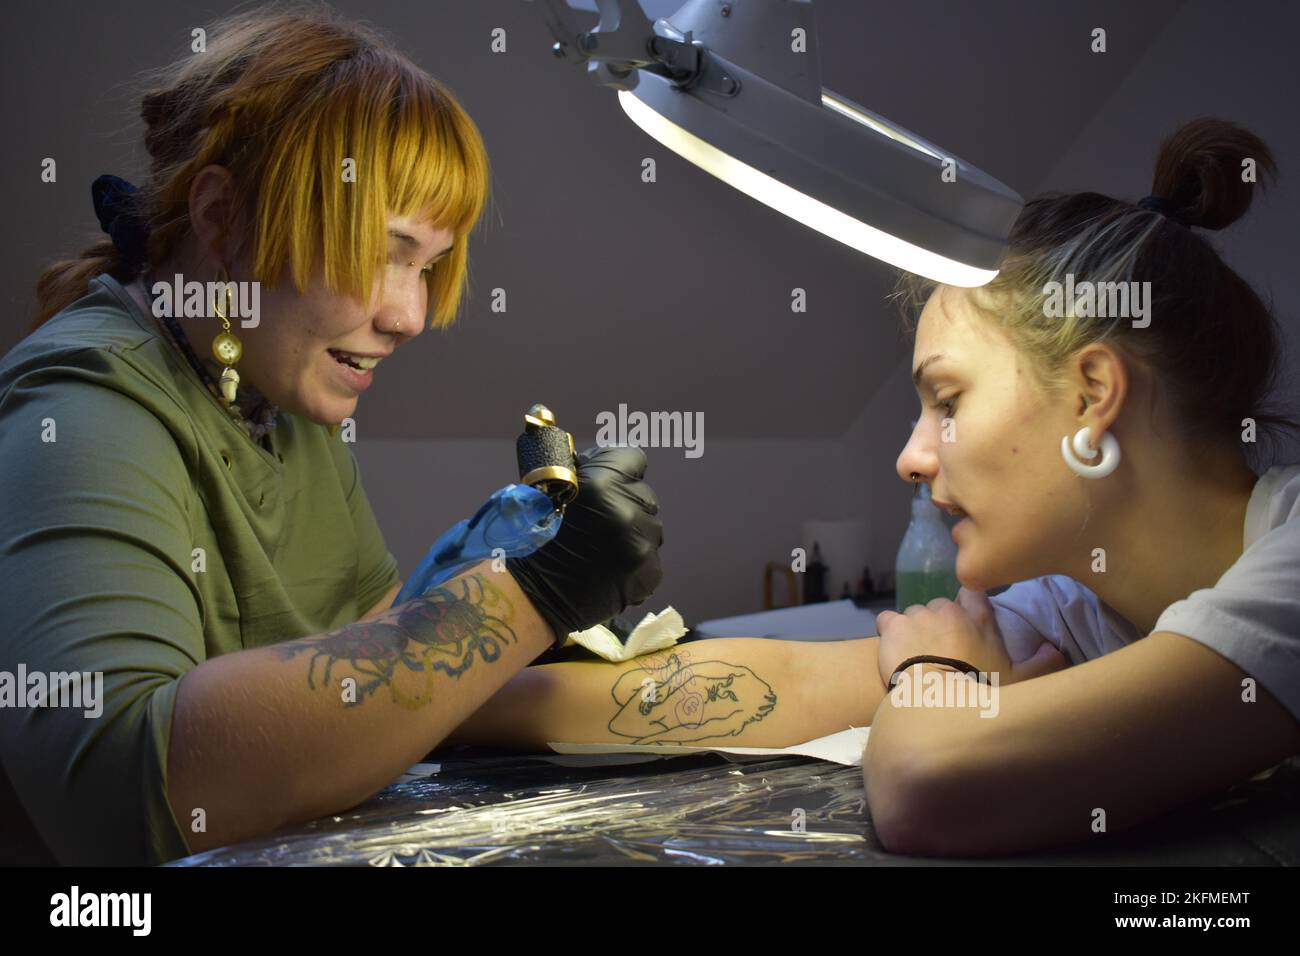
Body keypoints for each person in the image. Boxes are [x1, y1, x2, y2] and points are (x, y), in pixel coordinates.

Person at [441, 117, 1300, 858]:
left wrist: (933, 672)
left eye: (948, 401)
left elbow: (926, 782)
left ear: (1092, 395)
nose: (913, 458)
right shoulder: (1074, 607)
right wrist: (444, 700)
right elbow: (789, 684)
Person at [0, 5, 662, 865]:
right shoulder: (81, 410)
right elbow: (116, 803)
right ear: (224, 220)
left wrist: (507, 589)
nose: (411, 316)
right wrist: (524, 599)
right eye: (382, 252)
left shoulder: (277, 389)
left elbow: (365, 667)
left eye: (426, 266)